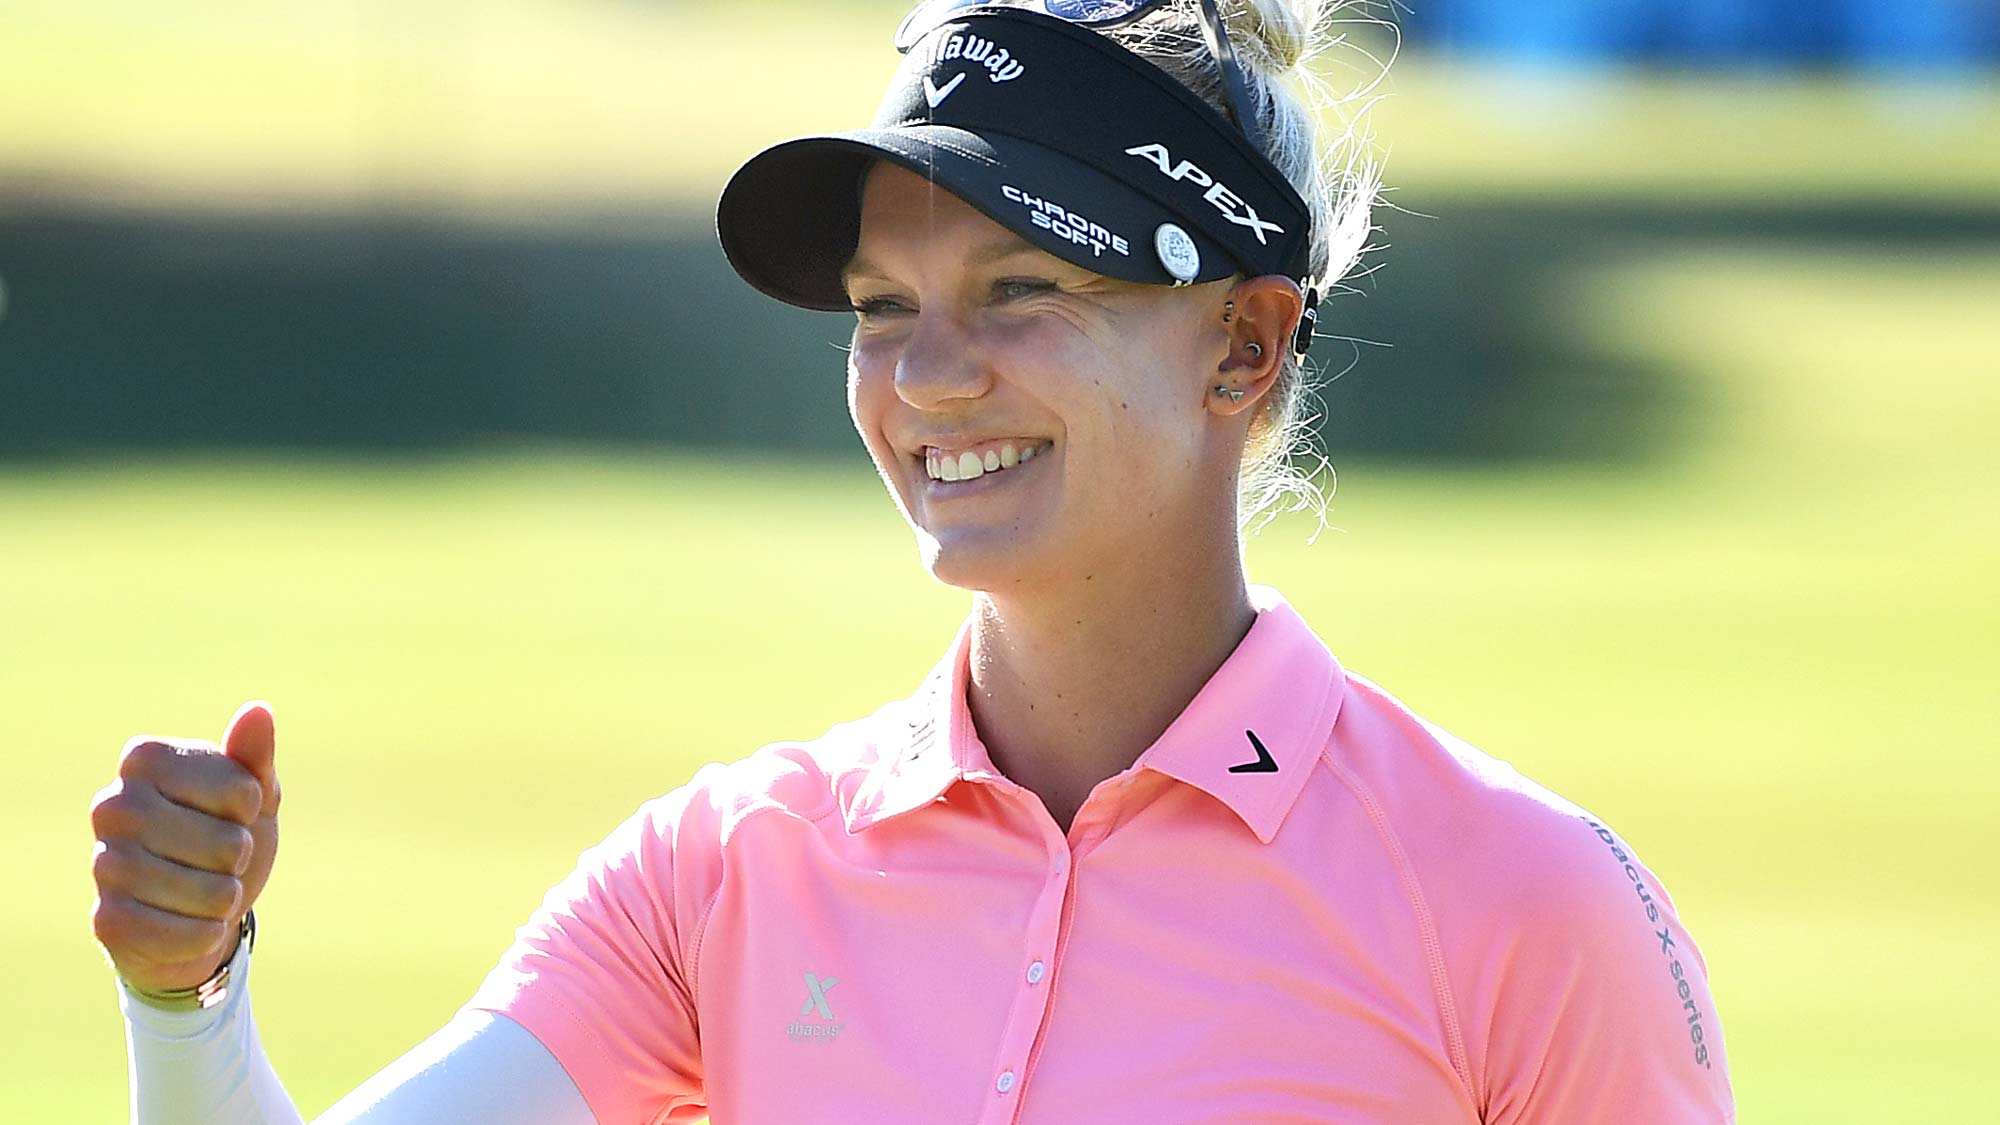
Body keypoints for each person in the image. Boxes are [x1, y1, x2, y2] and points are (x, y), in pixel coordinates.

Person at [87, 2, 1737, 1122]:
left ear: (1242, 345)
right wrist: (187, 998)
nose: (928, 378)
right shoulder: (726, 871)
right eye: (883, 309)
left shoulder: (1519, 902)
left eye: (1023, 289)